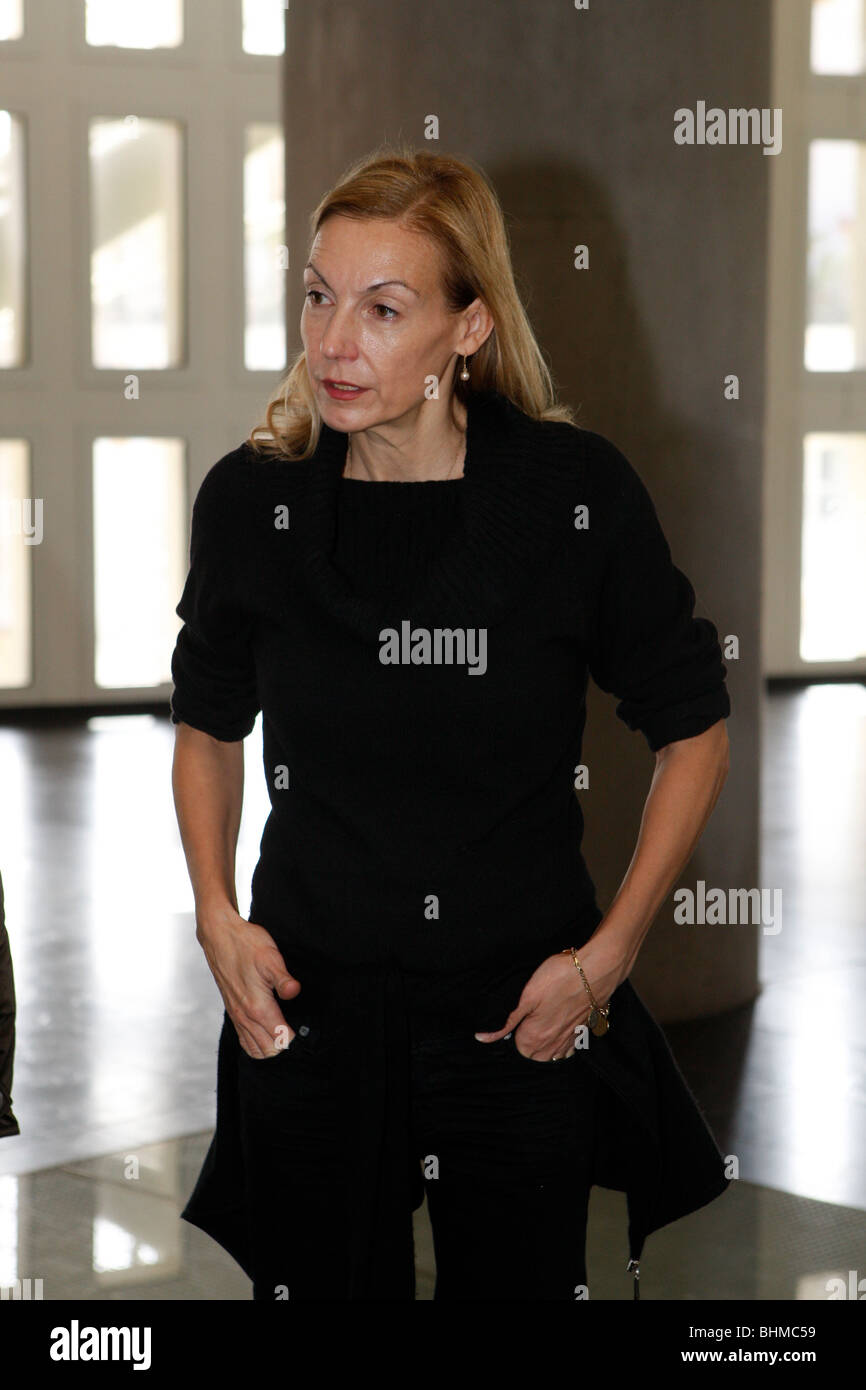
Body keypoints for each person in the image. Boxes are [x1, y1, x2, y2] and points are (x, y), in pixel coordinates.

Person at [170, 145, 732, 1302]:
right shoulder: (252, 503)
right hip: (303, 1010)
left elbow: (693, 726)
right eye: (319, 296)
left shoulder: (570, 501)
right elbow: (208, 723)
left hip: (517, 1014)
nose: (333, 343)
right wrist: (216, 913)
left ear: (469, 326)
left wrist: (608, 956)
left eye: (384, 309)